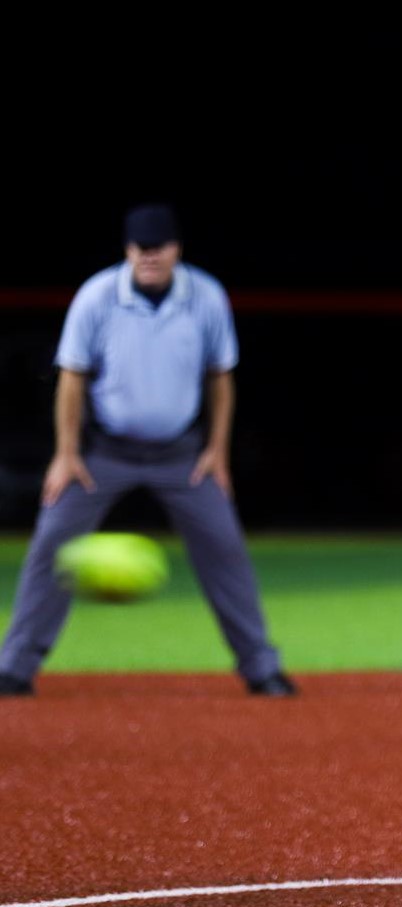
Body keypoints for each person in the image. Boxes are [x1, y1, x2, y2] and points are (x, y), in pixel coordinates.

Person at [0, 203, 295, 698]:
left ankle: (261, 668)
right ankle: (14, 668)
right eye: (140, 247)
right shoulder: (97, 296)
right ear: (127, 249)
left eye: (158, 247)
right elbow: (72, 377)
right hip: (103, 453)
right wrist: (66, 454)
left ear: (176, 249)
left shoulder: (205, 296)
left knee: (225, 548)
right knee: (52, 541)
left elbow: (220, 377)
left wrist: (217, 451)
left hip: (182, 456)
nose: (149, 256)